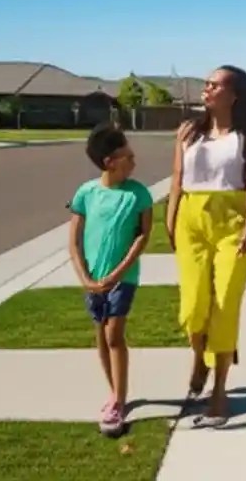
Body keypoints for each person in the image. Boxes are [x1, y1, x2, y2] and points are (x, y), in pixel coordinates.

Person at [167, 65, 246, 428]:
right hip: (191, 219)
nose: (206, 89)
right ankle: (199, 356)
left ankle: (219, 394)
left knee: (224, 305)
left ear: (234, 94)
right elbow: (177, 179)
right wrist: (171, 218)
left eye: (214, 84)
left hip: (232, 222)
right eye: (205, 83)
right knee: (193, 308)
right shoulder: (188, 131)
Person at [67, 122, 154, 436]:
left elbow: (142, 236)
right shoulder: (86, 193)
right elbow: (74, 240)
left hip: (124, 277)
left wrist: (118, 273)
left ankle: (119, 399)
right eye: (127, 156)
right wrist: (86, 278)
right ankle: (113, 389)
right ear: (109, 162)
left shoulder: (138, 194)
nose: (134, 161)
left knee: (115, 332)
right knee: (101, 335)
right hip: (94, 279)